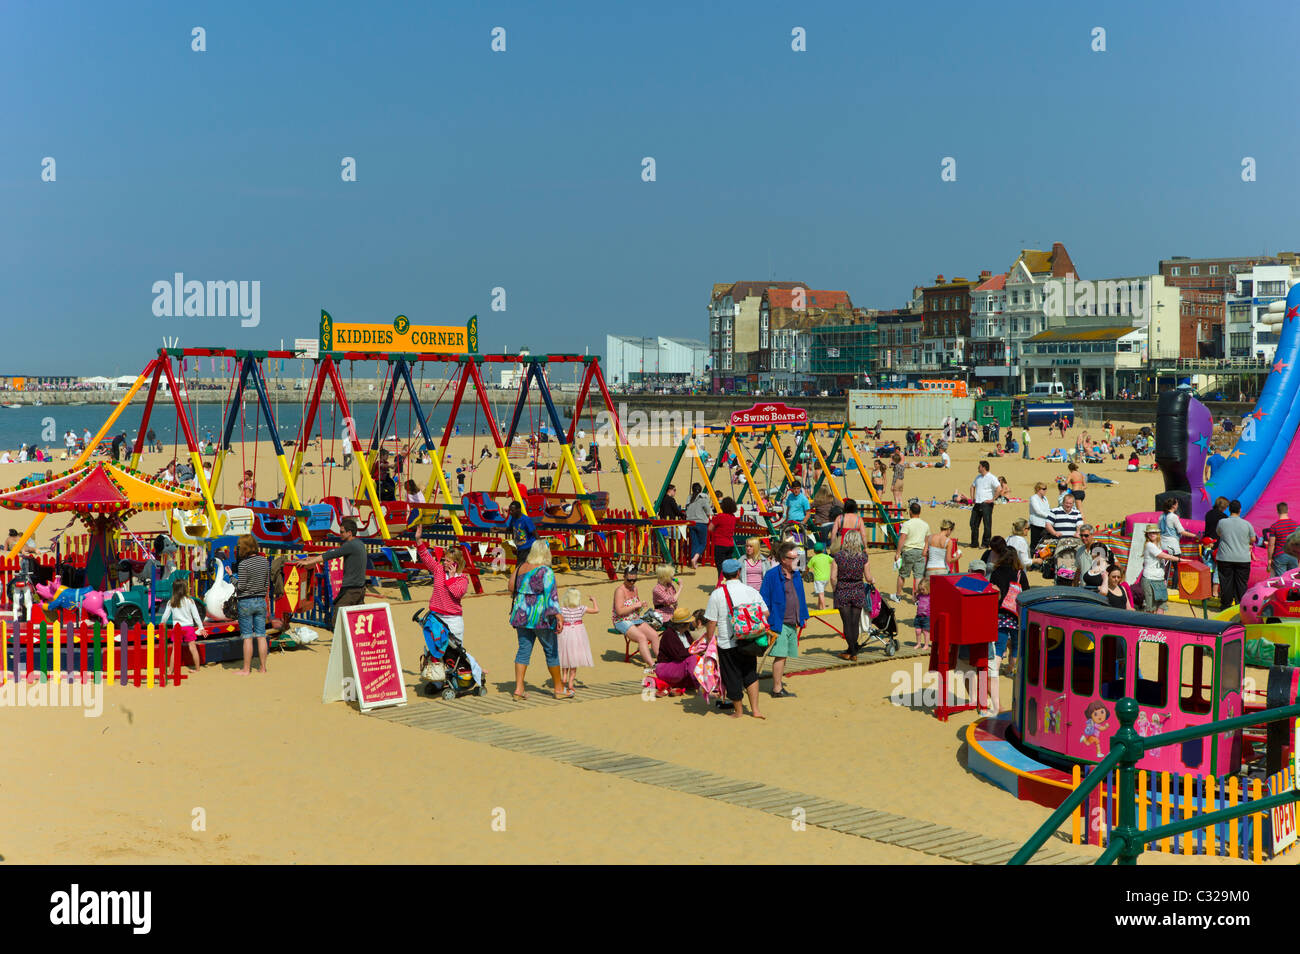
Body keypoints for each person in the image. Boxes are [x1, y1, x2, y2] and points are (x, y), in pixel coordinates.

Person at [703, 558, 766, 719]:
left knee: (732, 677)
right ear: (739, 572)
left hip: (727, 642)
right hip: (749, 639)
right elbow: (765, 612)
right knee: (750, 674)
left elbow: (711, 622)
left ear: (723, 575)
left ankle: (738, 712)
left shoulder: (717, 594)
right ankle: (756, 710)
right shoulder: (750, 590)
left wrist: (710, 642)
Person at [509, 541, 564, 699]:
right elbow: (551, 595)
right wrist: (558, 615)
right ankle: (559, 689)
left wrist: (526, 589)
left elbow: (511, 587)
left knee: (523, 651)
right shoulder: (545, 570)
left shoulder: (521, 567)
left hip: (521, 615)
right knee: (551, 651)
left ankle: (519, 689)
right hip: (540, 617)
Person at [298, 516, 368, 625]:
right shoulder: (359, 543)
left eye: (342, 532)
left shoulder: (350, 545)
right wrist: (312, 558)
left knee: (338, 619)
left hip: (351, 589)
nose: (340, 534)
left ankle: (341, 641)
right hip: (360, 588)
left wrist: (309, 562)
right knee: (355, 619)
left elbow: (331, 554)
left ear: (349, 533)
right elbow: (332, 553)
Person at [760, 541, 808, 698]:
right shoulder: (772, 575)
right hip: (778, 621)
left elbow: (800, 596)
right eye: (793, 558)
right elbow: (764, 599)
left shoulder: (796, 575)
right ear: (783, 559)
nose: (797, 561)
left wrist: (803, 616)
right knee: (780, 655)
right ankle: (777, 689)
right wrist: (768, 621)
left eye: (797, 558)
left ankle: (778, 685)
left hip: (792, 621)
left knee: (785, 654)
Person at [412, 525, 469, 639]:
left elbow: (457, 593)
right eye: (444, 560)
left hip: (453, 621)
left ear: (456, 563)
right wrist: (418, 540)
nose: (445, 563)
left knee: (453, 654)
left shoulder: (462, 579)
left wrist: (451, 578)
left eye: (448, 561)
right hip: (436, 617)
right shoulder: (439, 570)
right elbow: (426, 557)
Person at [233, 535, 270, 675]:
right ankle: (263, 668)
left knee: (247, 636)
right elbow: (267, 583)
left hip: (246, 601)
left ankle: (246, 669)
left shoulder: (243, 564)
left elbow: (241, 586)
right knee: (261, 635)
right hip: (260, 600)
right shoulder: (264, 561)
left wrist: (232, 578)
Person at [611, 565, 660, 667]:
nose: (632, 583)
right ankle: (652, 665)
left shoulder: (634, 588)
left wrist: (641, 606)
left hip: (634, 618)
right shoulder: (620, 591)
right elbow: (619, 611)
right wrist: (635, 605)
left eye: (634, 580)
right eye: (629, 580)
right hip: (621, 620)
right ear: (624, 577)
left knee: (654, 635)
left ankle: (661, 661)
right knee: (642, 638)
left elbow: (635, 609)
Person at [158, 578, 205, 671]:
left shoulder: (171, 601)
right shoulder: (190, 601)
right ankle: (197, 669)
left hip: (177, 628)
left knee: (175, 650)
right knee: (193, 647)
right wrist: (201, 627)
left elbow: (165, 616)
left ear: (174, 589)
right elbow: (196, 616)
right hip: (189, 627)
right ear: (185, 588)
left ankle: (170, 670)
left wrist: (162, 623)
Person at [1216, 500, 1255, 608]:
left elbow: (1219, 533)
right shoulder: (1247, 524)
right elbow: (1253, 539)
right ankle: (1240, 606)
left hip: (1225, 557)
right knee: (1241, 584)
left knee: (1226, 582)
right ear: (1240, 510)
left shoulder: (1222, 522)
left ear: (1229, 509)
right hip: (1242, 558)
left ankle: (1225, 605)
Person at [557, 588, 596, 696]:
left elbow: (556, 617)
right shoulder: (581, 608)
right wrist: (594, 601)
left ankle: (564, 676)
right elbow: (596, 610)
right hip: (578, 633)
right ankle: (570, 684)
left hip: (565, 632)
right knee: (574, 658)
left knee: (565, 655)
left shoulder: (562, 609)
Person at [894, 501, 930, 601]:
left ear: (910, 512)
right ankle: (916, 598)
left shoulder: (907, 524)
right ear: (920, 512)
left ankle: (898, 595)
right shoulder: (925, 525)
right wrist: (925, 551)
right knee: (918, 576)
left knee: (902, 575)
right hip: (920, 552)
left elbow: (902, 539)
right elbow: (927, 540)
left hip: (908, 551)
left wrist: (897, 553)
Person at [1141, 525, 1180, 614]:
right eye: (1150, 532)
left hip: (1159, 579)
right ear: (1147, 534)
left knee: (1161, 606)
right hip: (1150, 579)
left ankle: (1158, 624)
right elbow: (1164, 556)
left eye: (1154, 532)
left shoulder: (1158, 545)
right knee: (1150, 608)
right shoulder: (1149, 545)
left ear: (1158, 534)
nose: (1152, 534)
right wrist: (1179, 559)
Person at [1158, 499, 1195, 577]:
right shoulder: (1173, 517)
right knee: (1177, 568)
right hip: (1173, 545)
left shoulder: (1161, 517)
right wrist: (1195, 536)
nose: (1177, 506)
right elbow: (1181, 531)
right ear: (1173, 506)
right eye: (1177, 504)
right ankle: (1174, 587)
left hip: (1163, 545)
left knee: (1164, 567)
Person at [707, 496, 739, 584]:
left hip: (720, 544)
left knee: (720, 567)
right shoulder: (733, 517)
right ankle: (728, 583)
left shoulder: (720, 517)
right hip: (730, 544)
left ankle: (721, 584)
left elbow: (710, 528)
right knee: (728, 567)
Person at [969, 460, 999, 548]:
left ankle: (985, 543)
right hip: (977, 503)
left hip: (986, 504)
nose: (978, 468)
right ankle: (974, 543)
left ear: (984, 468)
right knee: (973, 523)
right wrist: (972, 498)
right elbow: (972, 486)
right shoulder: (978, 477)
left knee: (987, 524)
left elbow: (999, 488)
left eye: (979, 467)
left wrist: (993, 499)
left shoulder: (992, 477)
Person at [1265, 502, 1300, 575]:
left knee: (1281, 580)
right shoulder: (1295, 525)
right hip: (1293, 555)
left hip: (1280, 555)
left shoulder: (1274, 526)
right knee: (1293, 579)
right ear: (1288, 511)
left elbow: (1271, 545)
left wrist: (1269, 559)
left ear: (1277, 511)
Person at [684, 483, 712, 569]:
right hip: (701, 523)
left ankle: (693, 560)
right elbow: (708, 510)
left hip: (691, 522)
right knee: (703, 543)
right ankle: (695, 558)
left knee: (694, 543)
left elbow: (686, 510)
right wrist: (710, 515)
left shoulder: (690, 499)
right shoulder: (703, 498)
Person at [505, 500, 537, 564]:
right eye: (510, 510)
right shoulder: (513, 519)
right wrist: (498, 529)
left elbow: (535, 533)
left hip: (528, 548)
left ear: (518, 510)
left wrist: (542, 546)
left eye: (512, 511)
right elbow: (511, 529)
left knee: (520, 568)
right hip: (520, 548)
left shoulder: (526, 520)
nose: (510, 512)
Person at [807, 541, 832, 610]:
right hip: (826, 578)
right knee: (820, 592)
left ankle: (823, 608)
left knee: (821, 593)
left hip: (818, 579)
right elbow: (834, 561)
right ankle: (819, 606)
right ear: (823, 550)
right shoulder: (827, 557)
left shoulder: (813, 558)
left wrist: (805, 573)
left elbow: (808, 567)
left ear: (814, 551)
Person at [1028, 482, 1052, 554]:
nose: (1045, 491)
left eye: (1046, 489)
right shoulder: (1033, 498)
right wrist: (1049, 516)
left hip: (1044, 524)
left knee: (1044, 543)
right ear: (1038, 489)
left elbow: (1048, 509)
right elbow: (1038, 511)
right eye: (1043, 489)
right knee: (1034, 543)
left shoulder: (1045, 498)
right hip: (1036, 524)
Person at [914, 577, 931, 651]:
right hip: (918, 616)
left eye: (923, 589)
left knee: (925, 631)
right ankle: (918, 644)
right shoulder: (920, 595)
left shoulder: (930, 596)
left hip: (926, 617)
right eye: (920, 589)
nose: (922, 591)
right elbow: (914, 600)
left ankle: (926, 645)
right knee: (917, 631)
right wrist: (915, 593)